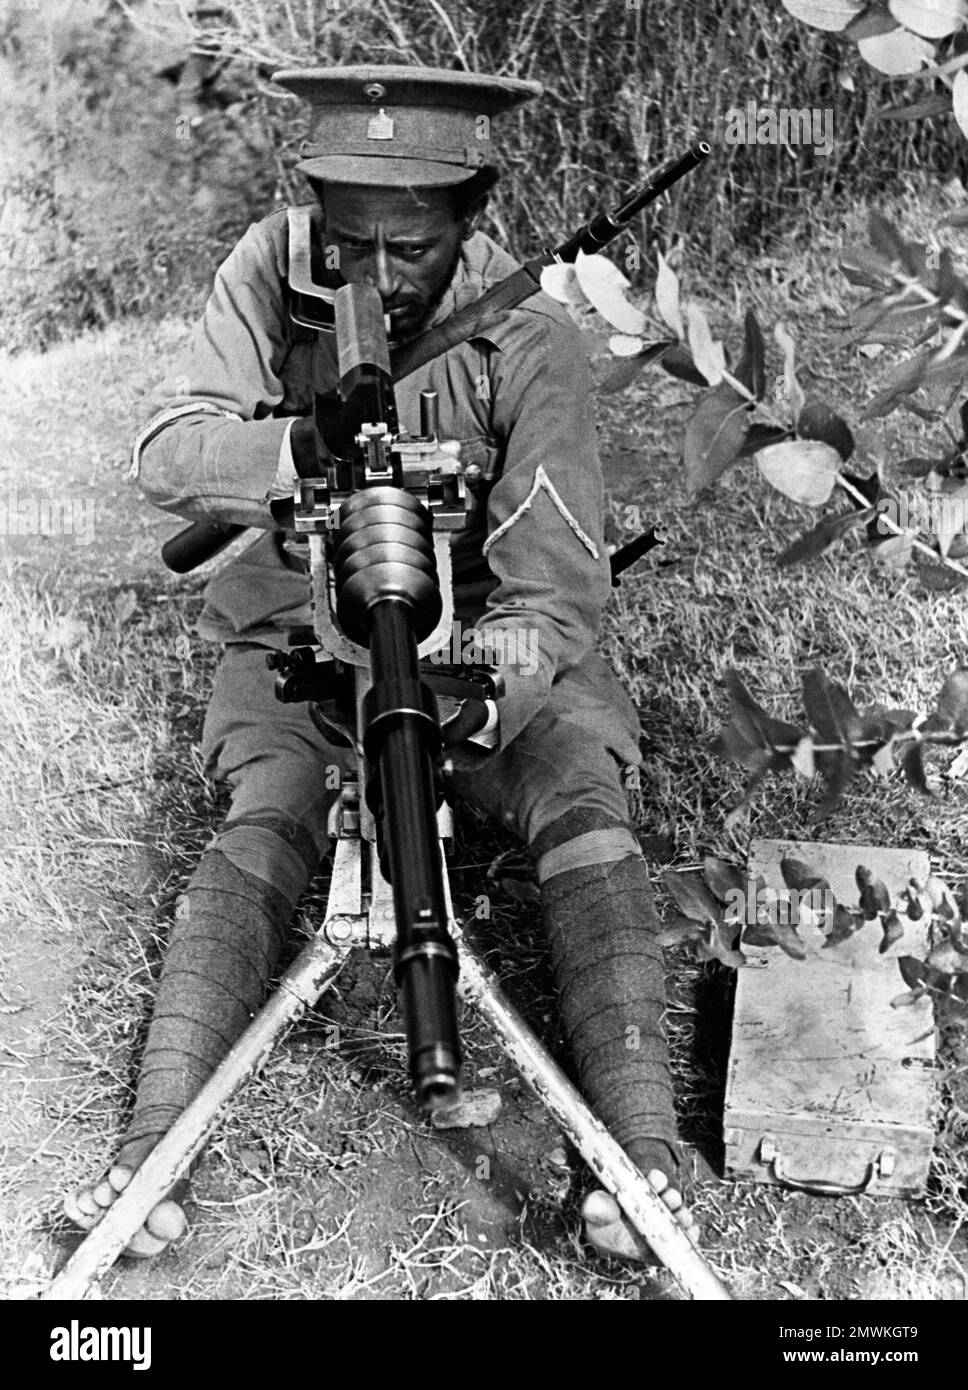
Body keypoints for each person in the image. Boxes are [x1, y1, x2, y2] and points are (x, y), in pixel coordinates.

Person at [64, 65, 696, 1263]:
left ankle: (641, 1155)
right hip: (295, 633)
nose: (373, 274)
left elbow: (558, 579)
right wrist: (299, 445)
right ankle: (145, 1157)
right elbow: (167, 458)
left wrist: (499, 654)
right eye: (348, 239)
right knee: (270, 809)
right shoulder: (267, 266)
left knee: (578, 790)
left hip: (472, 637)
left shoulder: (529, 336)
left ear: (470, 214)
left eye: (407, 248)